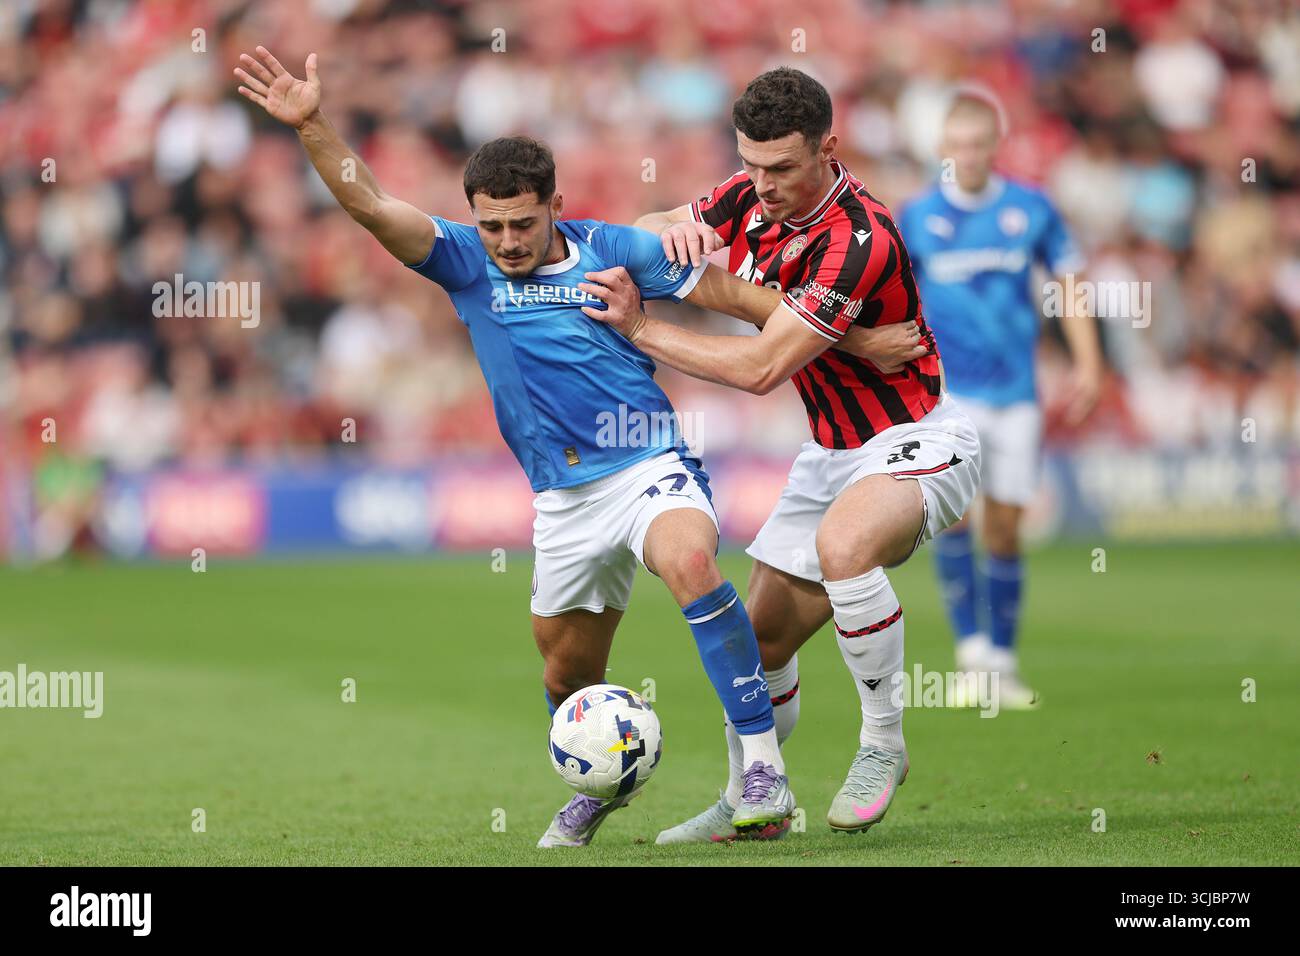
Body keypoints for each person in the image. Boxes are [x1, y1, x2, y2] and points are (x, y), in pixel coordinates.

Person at [233, 48, 919, 846]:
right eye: (491, 224)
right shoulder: (463, 262)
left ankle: (762, 770)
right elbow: (372, 207)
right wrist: (313, 126)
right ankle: (600, 780)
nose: (508, 240)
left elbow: (737, 296)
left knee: (693, 564)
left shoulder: (614, 249)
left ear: (555, 205)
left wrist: (858, 337)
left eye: (523, 221)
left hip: (648, 463)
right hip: (561, 500)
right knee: (565, 675)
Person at [584, 67, 980, 842]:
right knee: (757, 644)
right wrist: (675, 227)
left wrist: (643, 329)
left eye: (781, 168)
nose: (760, 186)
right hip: (829, 450)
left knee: (845, 547)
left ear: (828, 149)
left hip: (915, 439)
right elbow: (647, 229)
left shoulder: (859, 238)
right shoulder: (750, 191)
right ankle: (751, 803)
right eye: (751, 165)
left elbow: (763, 368)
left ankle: (882, 744)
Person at [897, 89, 1102, 708]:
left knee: (1007, 526)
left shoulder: (1030, 209)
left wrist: (1088, 362)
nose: (968, 155)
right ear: (941, 150)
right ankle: (972, 658)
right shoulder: (915, 216)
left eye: (978, 144)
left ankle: (1004, 663)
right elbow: (895, 298)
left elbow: (1070, 284)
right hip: (949, 394)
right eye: (957, 145)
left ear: (995, 146)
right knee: (954, 518)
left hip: (1016, 392)